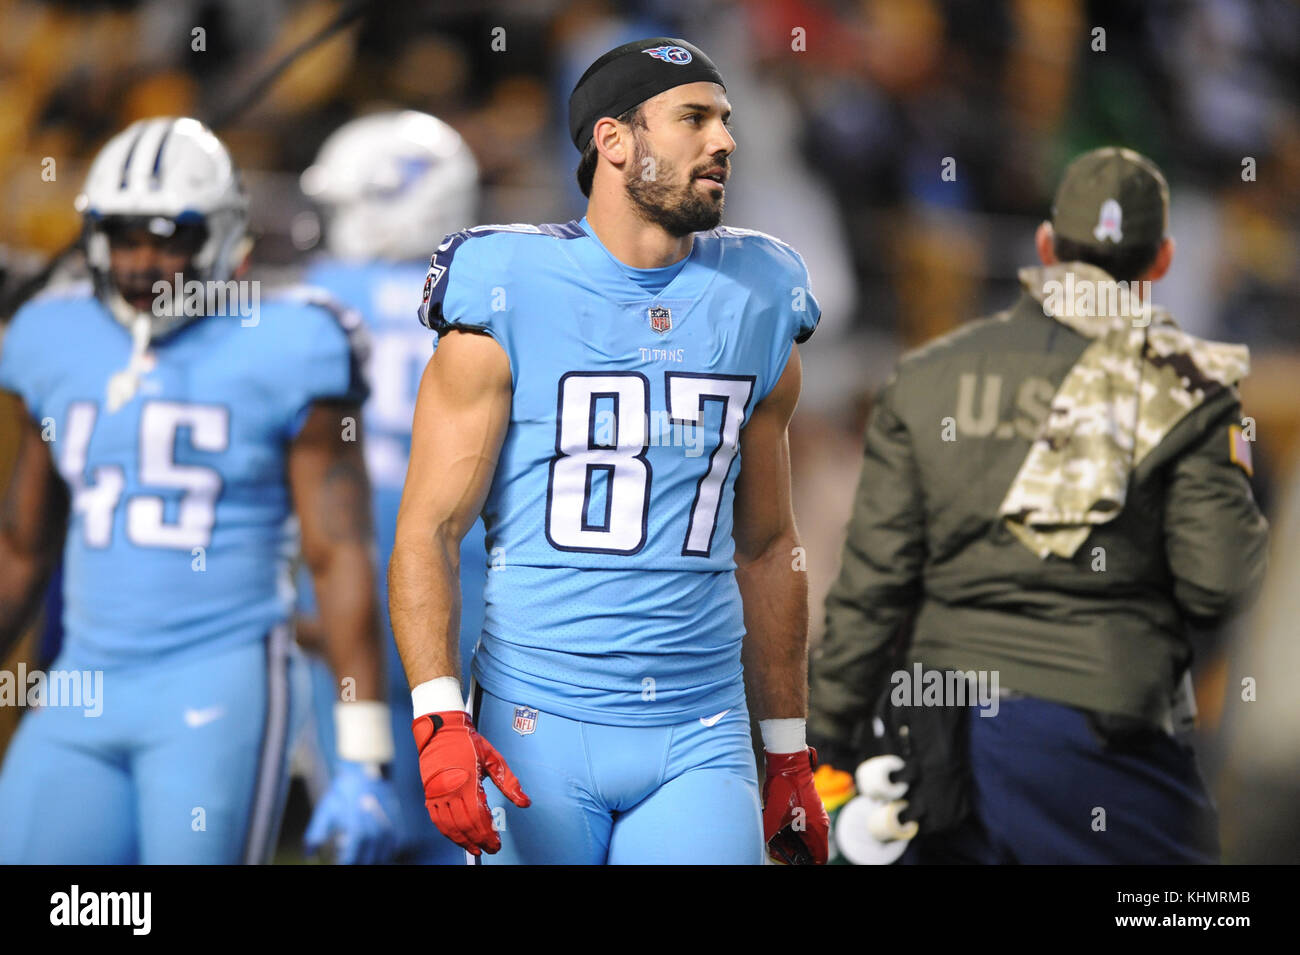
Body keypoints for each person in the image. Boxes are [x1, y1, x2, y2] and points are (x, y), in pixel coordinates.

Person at [389, 37, 830, 864]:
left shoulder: (761, 293)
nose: (725, 141)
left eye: (725, 120)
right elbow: (430, 530)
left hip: (701, 730)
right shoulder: (507, 285)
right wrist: (440, 713)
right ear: (614, 140)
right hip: (534, 725)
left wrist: (787, 747)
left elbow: (769, 546)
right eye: (694, 118)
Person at [809, 147, 1269, 864]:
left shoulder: (926, 378)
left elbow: (870, 588)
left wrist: (827, 737)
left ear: (1046, 247)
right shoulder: (1189, 384)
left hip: (938, 734)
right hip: (1100, 731)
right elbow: (1222, 578)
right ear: (1162, 261)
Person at [0, 117, 399, 864]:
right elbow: (23, 544)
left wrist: (362, 756)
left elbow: (337, 553)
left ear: (219, 237)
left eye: (169, 235)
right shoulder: (52, 336)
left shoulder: (292, 340)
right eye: (123, 234)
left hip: (217, 684)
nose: (144, 260)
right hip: (81, 684)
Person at [296, 110, 488, 864]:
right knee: (472, 810)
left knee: (366, 808)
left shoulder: (315, 298)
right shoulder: (490, 294)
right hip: (467, 570)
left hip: (343, 563)